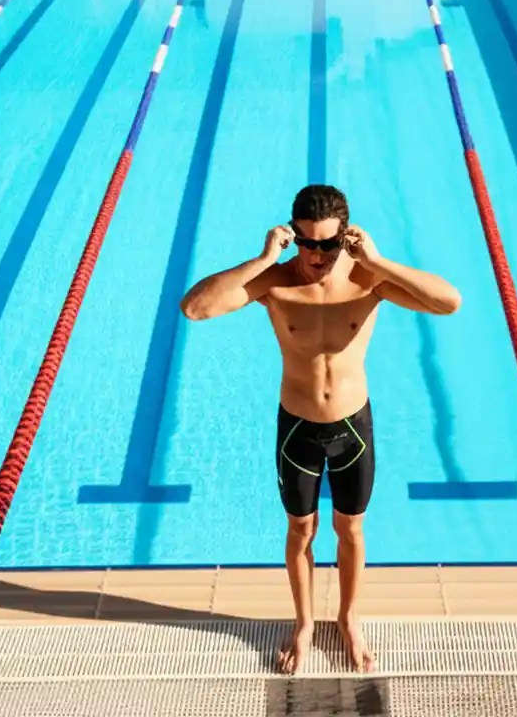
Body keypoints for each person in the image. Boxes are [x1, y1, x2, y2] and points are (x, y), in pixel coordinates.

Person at [179, 185, 462, 674]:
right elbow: (195, 308)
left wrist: (378, 260)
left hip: (353, 426)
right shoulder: (276, 282)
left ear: (346, 239)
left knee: (350, 528)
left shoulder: (368, 280)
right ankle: (305, 621)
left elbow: (448, 302)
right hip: (298, 430)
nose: (315, 255)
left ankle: (349, 617)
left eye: (327, 244)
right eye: (306, 242)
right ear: (293, 237)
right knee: (300, 530)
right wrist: (262, 258)